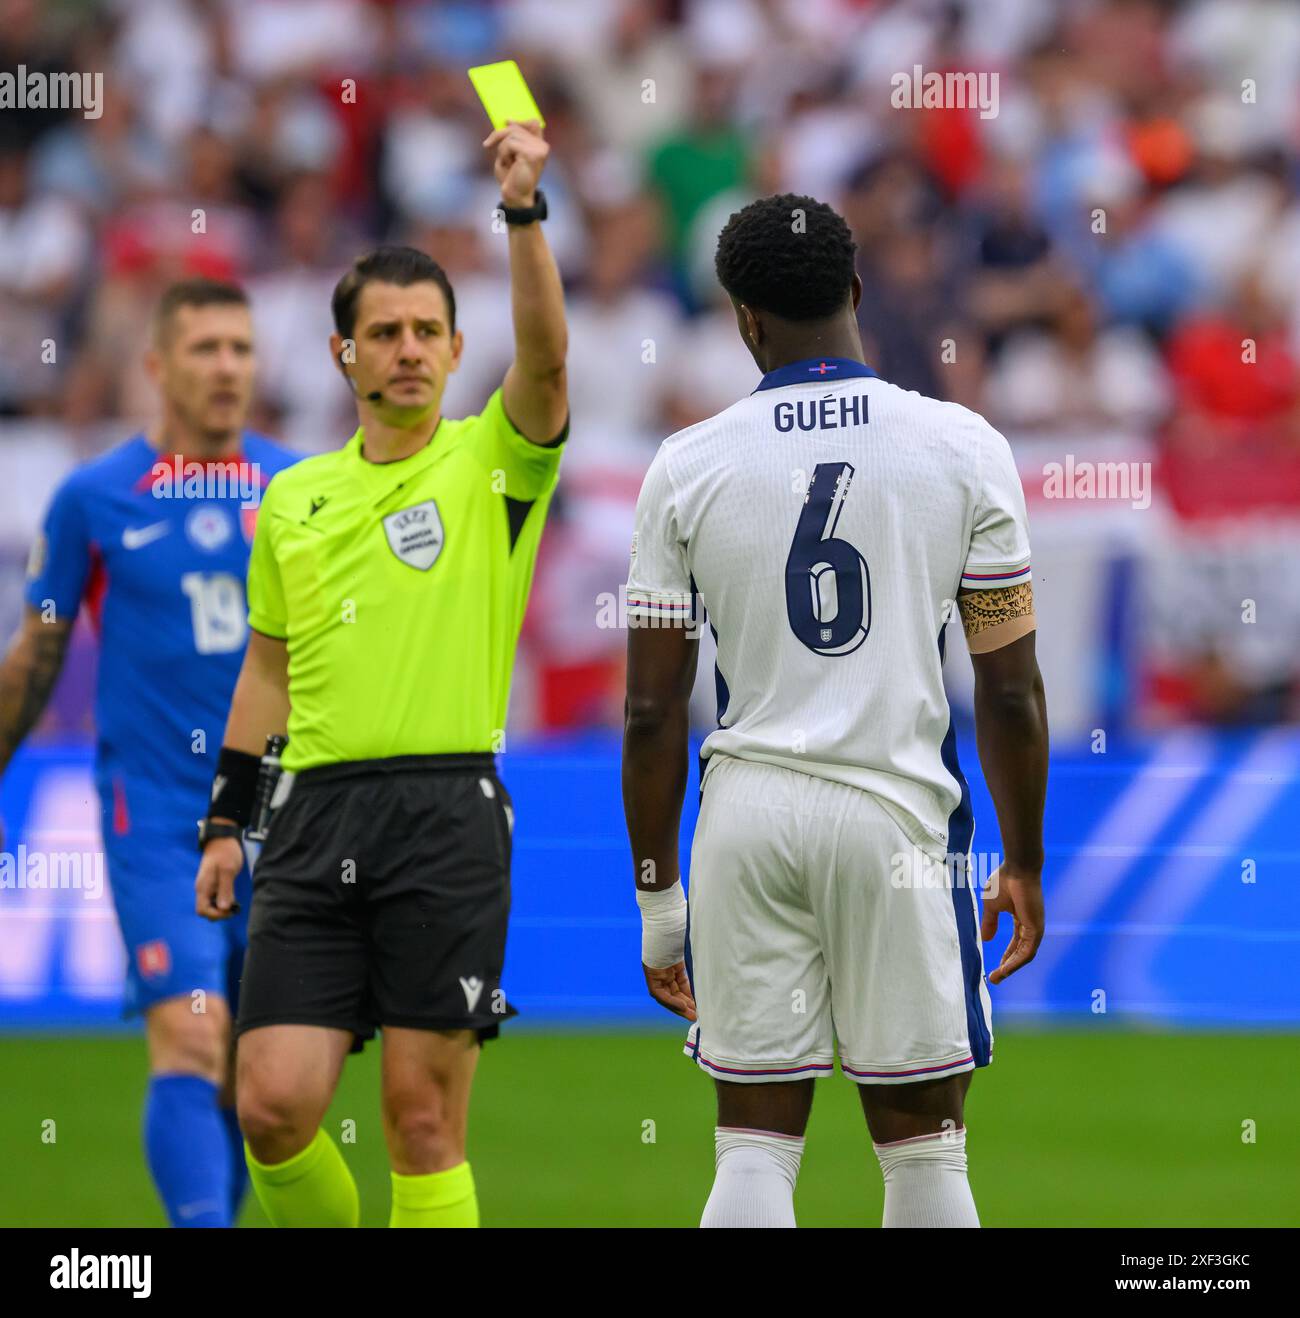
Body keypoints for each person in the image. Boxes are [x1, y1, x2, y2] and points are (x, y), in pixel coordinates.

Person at [621, 193, 1049, 1228]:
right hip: (896, 818)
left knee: (753, 1149)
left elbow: (648, 711)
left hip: (749, 816)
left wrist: (660, 902)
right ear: (856, 293)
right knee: (924, 1152)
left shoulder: (686, 463)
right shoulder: (962, 446)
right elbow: (1009, 686)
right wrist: (1025, 860)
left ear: (741, 319)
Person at [194, 120, 568, 1229]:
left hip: (446, 811)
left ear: (456, 352)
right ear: (343, 354)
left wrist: (522, 212)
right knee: (269, 1102)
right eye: (385, 332)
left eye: (427, 332)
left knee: (418, 1120)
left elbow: (546, 360)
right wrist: (227, 819)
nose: (407, 348)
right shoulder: (296, 497)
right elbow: (269, 667)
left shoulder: (492, 463)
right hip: (311, 819)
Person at [0, 278, 298, 1226]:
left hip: (284, 824)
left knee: (256, 1078)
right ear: (158, 365)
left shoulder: (299, 489)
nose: (227, 368)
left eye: (241, 349)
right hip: (156, 819)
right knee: (191, 1035)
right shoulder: (92, 500)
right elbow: (37, 655)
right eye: (206, 348)